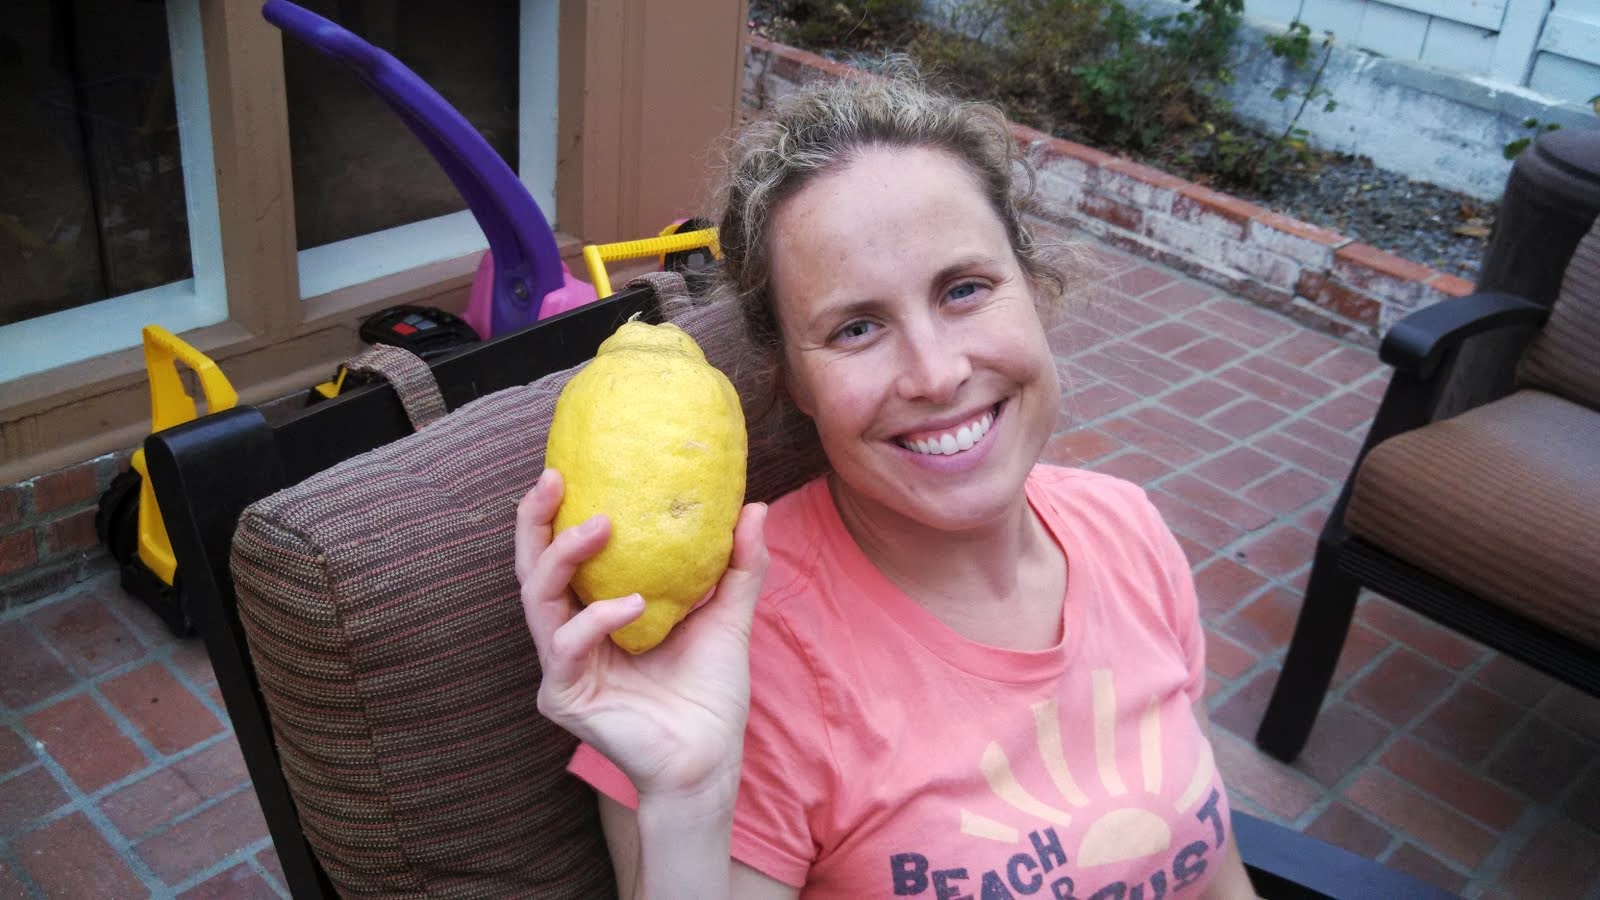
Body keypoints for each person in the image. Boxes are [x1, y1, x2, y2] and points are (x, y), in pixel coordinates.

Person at [515, 67, 1257, 899]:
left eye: (965, 289)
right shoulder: (729, 657)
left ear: (1035, 291)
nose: (936, 375)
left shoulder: (1130, 530)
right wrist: (689, 802)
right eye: (856, 327)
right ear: (794, 382)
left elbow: (1221, 875)